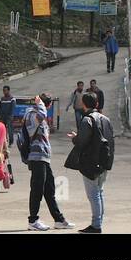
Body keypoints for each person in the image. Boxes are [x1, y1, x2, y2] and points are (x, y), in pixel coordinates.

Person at [67, 91, 115, 233]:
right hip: (104, 161)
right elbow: (111, 141)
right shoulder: (106, 119)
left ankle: (96, 225)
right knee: (99, 192)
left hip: (91, 163)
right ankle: (98, 222)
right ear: (97, 104)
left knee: (93, 194)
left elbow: (82, 141)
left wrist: (75, 138)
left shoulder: (87, 120)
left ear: (83, 104)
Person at [24, 92, 74, 231]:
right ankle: (33, 220)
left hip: (44, 158)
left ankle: (58, 219)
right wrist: (40, 104)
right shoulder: (32, 115)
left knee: (49, 189)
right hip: (36, 157)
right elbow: (42, 115)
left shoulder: (39, 116)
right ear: (49, 104)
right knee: (37, 189)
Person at [0, 85, 17, 185]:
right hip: (3, 117)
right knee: (2, 130)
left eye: (5, 90)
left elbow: (13, 108)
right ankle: (3, 142)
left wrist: (10, 116)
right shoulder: (2, 99)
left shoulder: (12, 99)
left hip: (9, 117)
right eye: (3, 90)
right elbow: (0, 108)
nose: (4, 92)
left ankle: (11, 141)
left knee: (9, 130)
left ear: (8, 90)